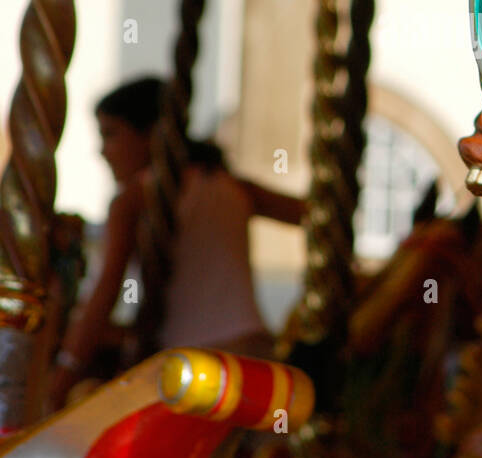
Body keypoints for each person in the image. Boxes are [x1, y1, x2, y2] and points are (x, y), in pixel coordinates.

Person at [49, 76, 306, 409]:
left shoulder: (133, 200)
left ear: (151, 135)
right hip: (252, 355)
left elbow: (105, 293)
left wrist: (63, 375)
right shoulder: (228, 184)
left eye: (110, 134)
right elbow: (312, 214)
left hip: (192, 368)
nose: (102, 151)